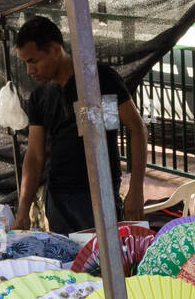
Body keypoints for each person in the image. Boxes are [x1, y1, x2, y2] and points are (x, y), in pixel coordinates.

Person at [13, 15, 147, 235]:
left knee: (102, 256)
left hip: (98, 195)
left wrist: (136, 190)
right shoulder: (39, 96)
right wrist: (23, 209)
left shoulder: (100, 80)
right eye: (25, 63)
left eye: (33, 61)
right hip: (57, 198)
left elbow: (137, 129)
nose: (29, 70)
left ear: (55, 49)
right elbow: (35, 155)